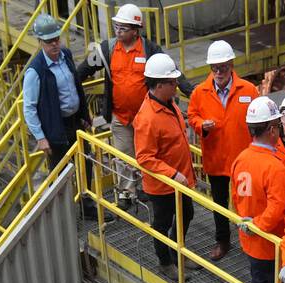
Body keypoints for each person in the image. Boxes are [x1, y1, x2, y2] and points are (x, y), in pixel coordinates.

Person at [78, 4, 191, 209]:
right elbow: (85, 68)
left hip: (147, 119)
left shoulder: (150, 50)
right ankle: (126, 195)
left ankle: (147, 189)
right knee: (123, 156)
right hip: (120, 117)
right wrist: (71, 87)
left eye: (123, 28)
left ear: (135, 30)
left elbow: (173, 72)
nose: (118, 31)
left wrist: (193, 92)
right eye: (117, 27)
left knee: (149, 156)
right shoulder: (108, 49)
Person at [187, 41, 257, 261]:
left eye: (223, 68)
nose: (218, 73)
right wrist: (200, 125)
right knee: (219, 203)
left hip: (243, 161)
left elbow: (259, 120)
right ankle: (222, 240)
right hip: (216, 159)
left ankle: (252, 241)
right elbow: (192, 116)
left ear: (231, 65)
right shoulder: (200, 92)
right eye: (214, 68)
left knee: (245, 202)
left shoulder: (248, 90)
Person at [22, 14, 96, 216]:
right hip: (56, 129)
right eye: (49, 41)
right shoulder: (35, 72)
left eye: (56, 39)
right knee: (60, 174)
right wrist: (40, 137)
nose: (54, 44)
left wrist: (84, 115)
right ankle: (65, 216)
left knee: (85, 163)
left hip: (75, 123)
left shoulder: (66, 55)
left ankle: (86, 207)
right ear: (40, 42)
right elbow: (28, 108)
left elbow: (76, 87)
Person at [231, 96, 285, 283]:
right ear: (271, 129)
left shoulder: (241, 158)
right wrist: (258, 227)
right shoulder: (274, 166)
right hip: (272, 243)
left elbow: (235, 196)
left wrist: (249, 226)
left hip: (250, 241)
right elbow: (277, 208)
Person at [133, 52, 194, 278]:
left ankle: (178, 253)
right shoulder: (147, 118)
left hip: (181, 179)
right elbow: (145, 157)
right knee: (162, 223)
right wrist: (172, 174)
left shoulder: (168, 103)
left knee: (186, 214)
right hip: (163, 185)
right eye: (172, 82)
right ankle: (165, 263)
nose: (176, 85)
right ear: (159, 86)